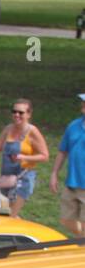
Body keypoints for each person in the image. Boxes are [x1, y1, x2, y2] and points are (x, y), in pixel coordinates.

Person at [0, 98, 48, 218]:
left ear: (29, 114)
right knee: (4, 213)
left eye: (21, 112)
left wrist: (25, 157)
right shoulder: (8, 129)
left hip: (23, 178)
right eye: (14, 112)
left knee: (11, 215)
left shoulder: (33, 132)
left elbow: (45, 156)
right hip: (6, 178)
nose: (16, 115)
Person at [51, 93, 85, 237]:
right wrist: (54, 173)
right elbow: (62, 151)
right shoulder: (73, 125)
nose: (83, 104)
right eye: (83, 102)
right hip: (71, 184)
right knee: (66, 220)